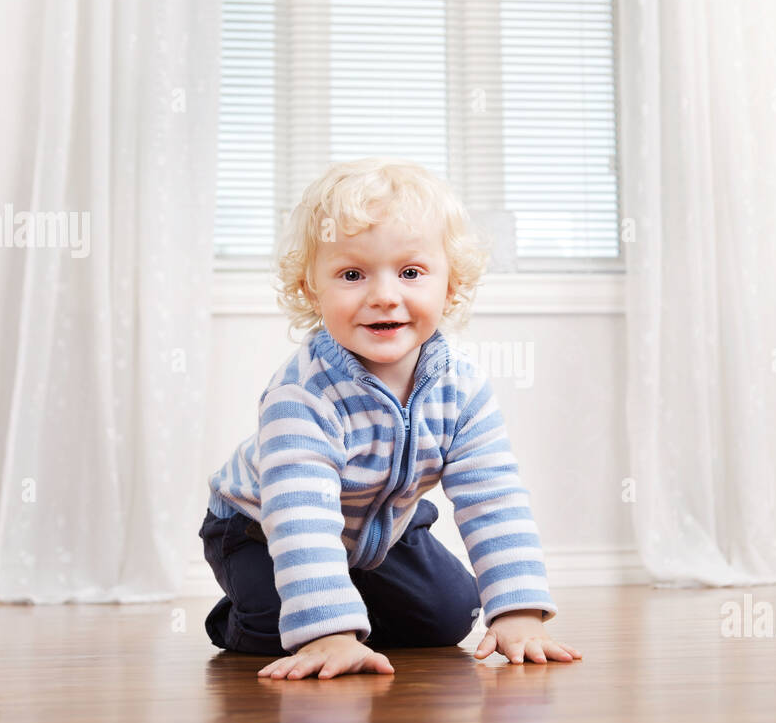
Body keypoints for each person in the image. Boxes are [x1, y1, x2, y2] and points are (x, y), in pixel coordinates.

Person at [199, 156, 582, 679]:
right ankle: (251, 616)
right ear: (313, 289)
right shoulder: (303, 395)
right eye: (352, 274)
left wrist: (518, 612)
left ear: (450, 285)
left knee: (450, 614)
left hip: (380, 528)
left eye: (410, 272)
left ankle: (347, 601)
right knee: (279, 631)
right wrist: (328, 635)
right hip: (261, 528)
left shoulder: (461, 389)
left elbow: (493, 496)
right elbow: (302, 518)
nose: (384, 296)